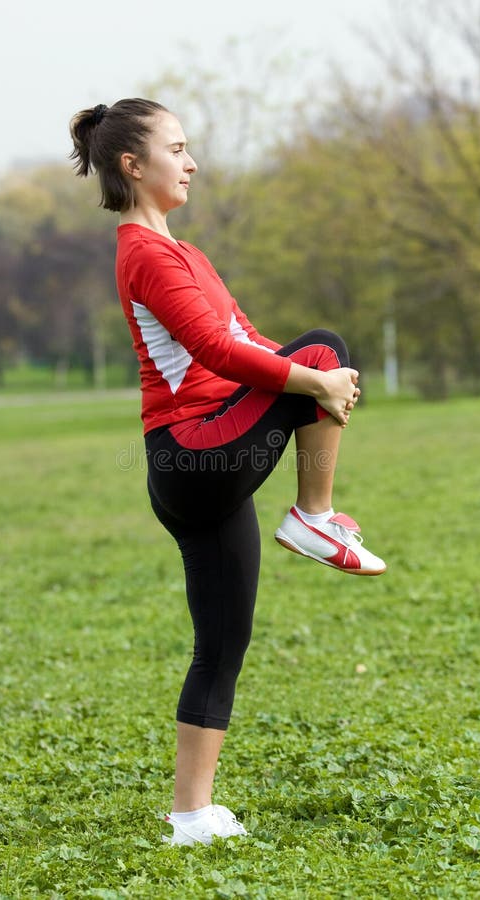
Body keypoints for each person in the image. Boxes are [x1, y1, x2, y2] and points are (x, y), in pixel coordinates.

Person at [69, 98, 386, 847]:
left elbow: (249, 338)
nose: (192, 162)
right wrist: (316, 378)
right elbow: (217, 352)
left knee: (222, 641)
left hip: (213, 456)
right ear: (132, 165)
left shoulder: (189, 256)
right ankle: (313, 516)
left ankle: (191, 816)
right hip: (195, 454)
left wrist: (325, 380)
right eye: (177, 149)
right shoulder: (143, 253)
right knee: (321, 347)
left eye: (190, 148)